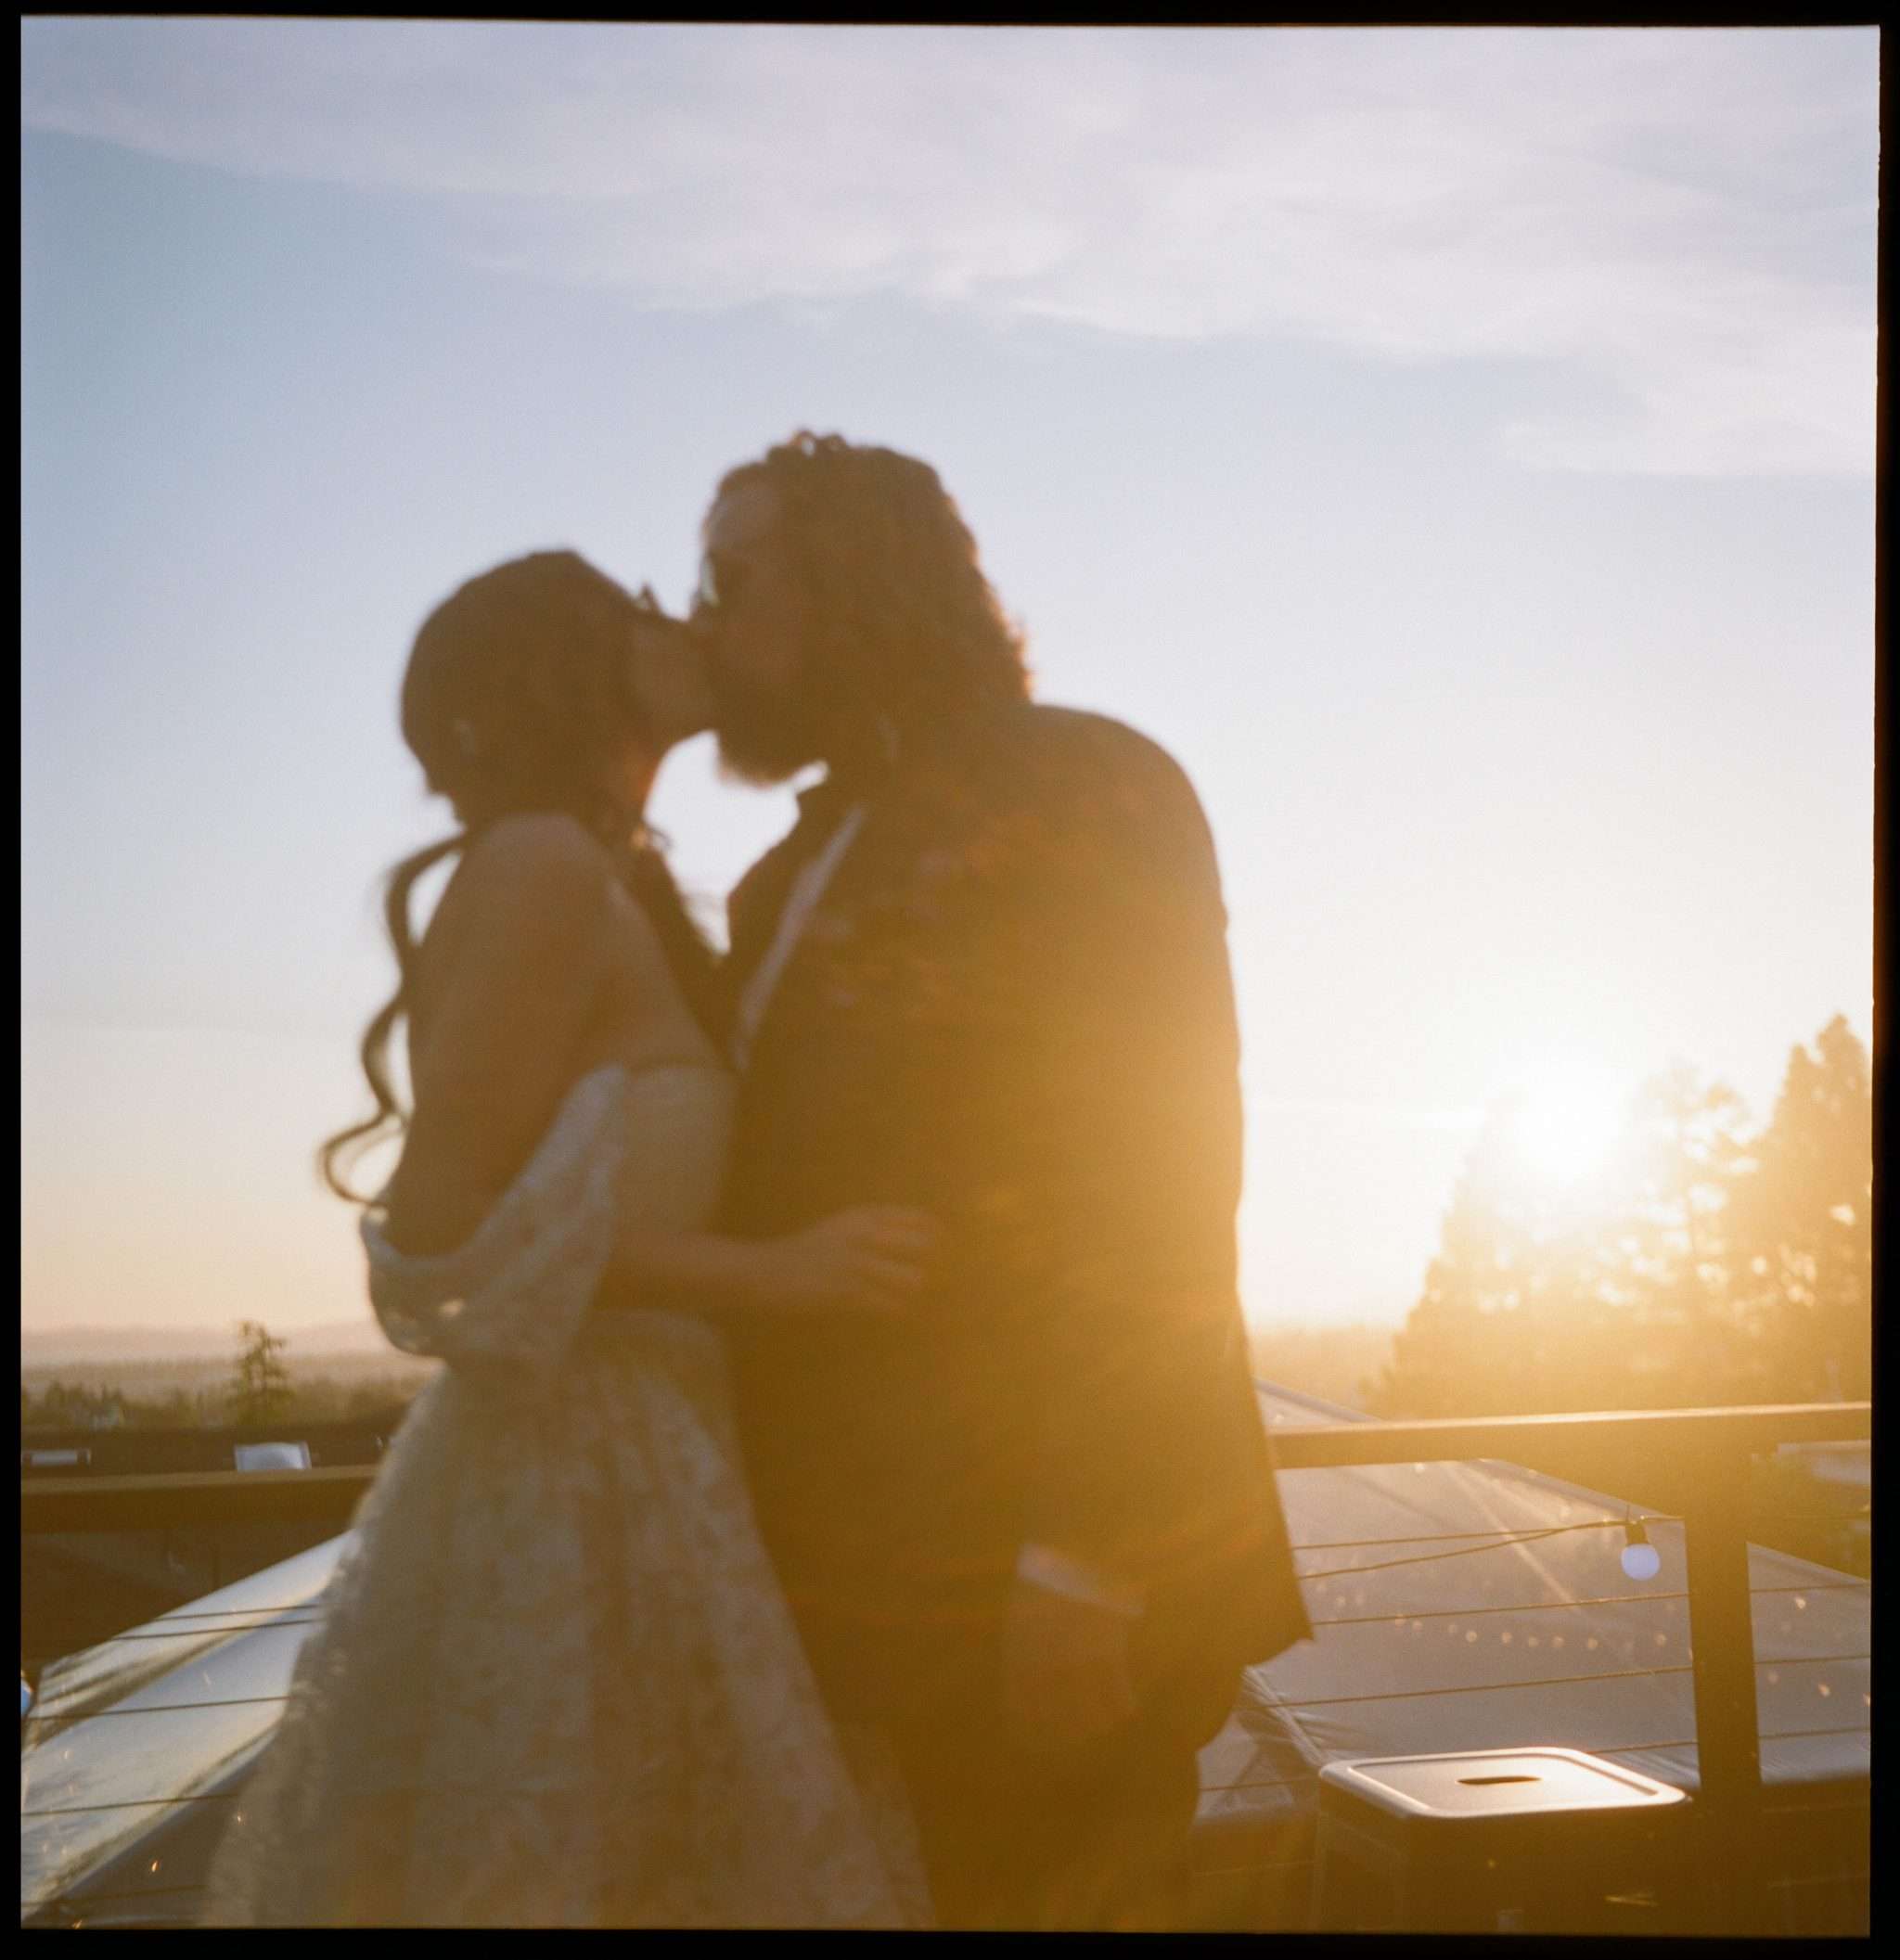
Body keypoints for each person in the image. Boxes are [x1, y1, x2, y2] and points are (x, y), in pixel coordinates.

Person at [200, 550, 935, 1928]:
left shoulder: (601, 876)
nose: (677, 614)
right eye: (635, 600)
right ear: (564, 663)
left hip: (662, 1468)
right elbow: (436, 1235)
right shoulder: (539, 865)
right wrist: (777, 1275)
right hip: (572, 1486)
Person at [687, 432, 1313, 1930]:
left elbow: (1159, 1166)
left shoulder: (1089, 782)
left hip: (1041, 1587)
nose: (704, 620)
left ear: (855, 579)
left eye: (733, 576)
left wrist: (1084, 1557)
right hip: (851, 1588)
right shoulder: (786, 870)